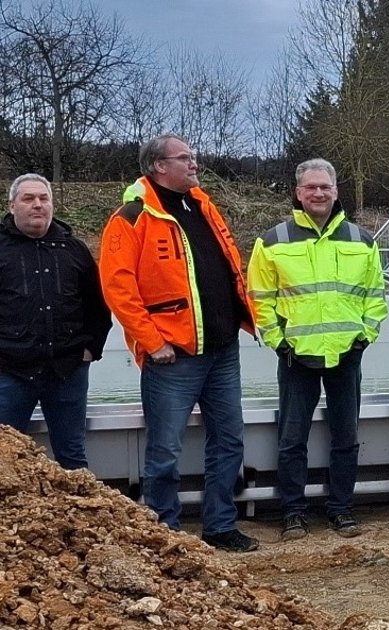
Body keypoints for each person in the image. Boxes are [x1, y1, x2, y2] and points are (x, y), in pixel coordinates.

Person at [99, 134, 258, 552]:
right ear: (158, 166)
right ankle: (164, 535)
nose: (194, 163)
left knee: (229, 441)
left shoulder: (203, 205)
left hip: (222, 350)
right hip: (172, 357)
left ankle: (220, 526)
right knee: (165, 450)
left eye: (194, 156)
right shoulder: (131, 218)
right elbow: (117, 288)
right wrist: (152, 342)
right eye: (184, 157)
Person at [246, 158, 388, 540]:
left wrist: (365, 337)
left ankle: (341, 509)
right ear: (298, 192)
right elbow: (260, 297)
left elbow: (376, 295)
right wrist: (278, 341)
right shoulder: (273, 241)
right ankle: (294, 511)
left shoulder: (362, 240)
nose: (319, 193)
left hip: (346, 354)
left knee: (347, 437)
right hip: (297, 357)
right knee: (292, 439)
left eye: (325, 187)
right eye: (311, 187)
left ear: (336, 191)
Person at [0, 173, 111, 470]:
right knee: (5, 460)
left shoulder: (73, 250)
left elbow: (98, 307)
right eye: (28, 199)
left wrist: (90, 350)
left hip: (68, 371)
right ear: (12, 206)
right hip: (11, 373)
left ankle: (82, 514)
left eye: (43, 198)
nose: (37, 205)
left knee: (73, 456)